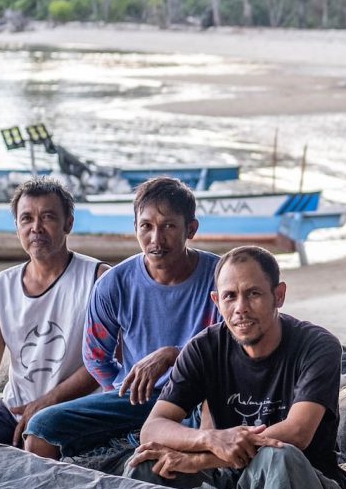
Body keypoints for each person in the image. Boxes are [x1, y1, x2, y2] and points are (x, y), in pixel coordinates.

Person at [126, 246, 346, 489]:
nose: (240, 308)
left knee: (278, 457)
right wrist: (210, 439)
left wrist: (199, 461)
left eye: (253, 294)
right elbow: (153, 428)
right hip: (225, 476)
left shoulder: (317, 346)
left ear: (278, 296)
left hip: (304, 477)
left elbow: (297, 433)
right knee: (148, 464)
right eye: (230, 297)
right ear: (217, 301)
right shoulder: (203, 348)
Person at [17, 177, 220, 459]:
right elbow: (96, 357)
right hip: (137, 402)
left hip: (199, 401)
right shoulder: (114, 284)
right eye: (146, 226)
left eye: (169, 226)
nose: (156, 239)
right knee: (42, 429)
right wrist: (121, 388)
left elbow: (236, 349)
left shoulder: (221, 277)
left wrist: (174, 355)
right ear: (135, 228)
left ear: (191, 229)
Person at [0, 178, 105, 445]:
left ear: (69, 223)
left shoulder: (97, 278)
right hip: (14, 408)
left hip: (74, 409)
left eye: (48, 217)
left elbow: (104, 361)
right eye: (27, 219)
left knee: (38, 443)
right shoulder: (3, 286)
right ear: (17, 227)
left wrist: (48, 402)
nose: (36, 228)